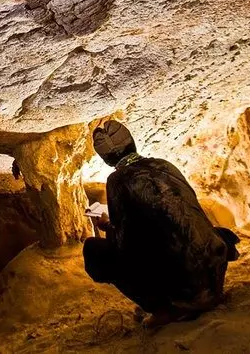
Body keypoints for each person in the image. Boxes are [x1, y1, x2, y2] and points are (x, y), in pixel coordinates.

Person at [83, 120, 239, 324]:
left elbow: (125, 241)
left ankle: (164, 308)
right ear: (132, 143)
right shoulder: (164, 165)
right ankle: (207, 294)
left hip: (184, 285)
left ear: (106, 158)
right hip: (212, 272)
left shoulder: (118, 180)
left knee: (95, 251)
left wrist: (107, 227)